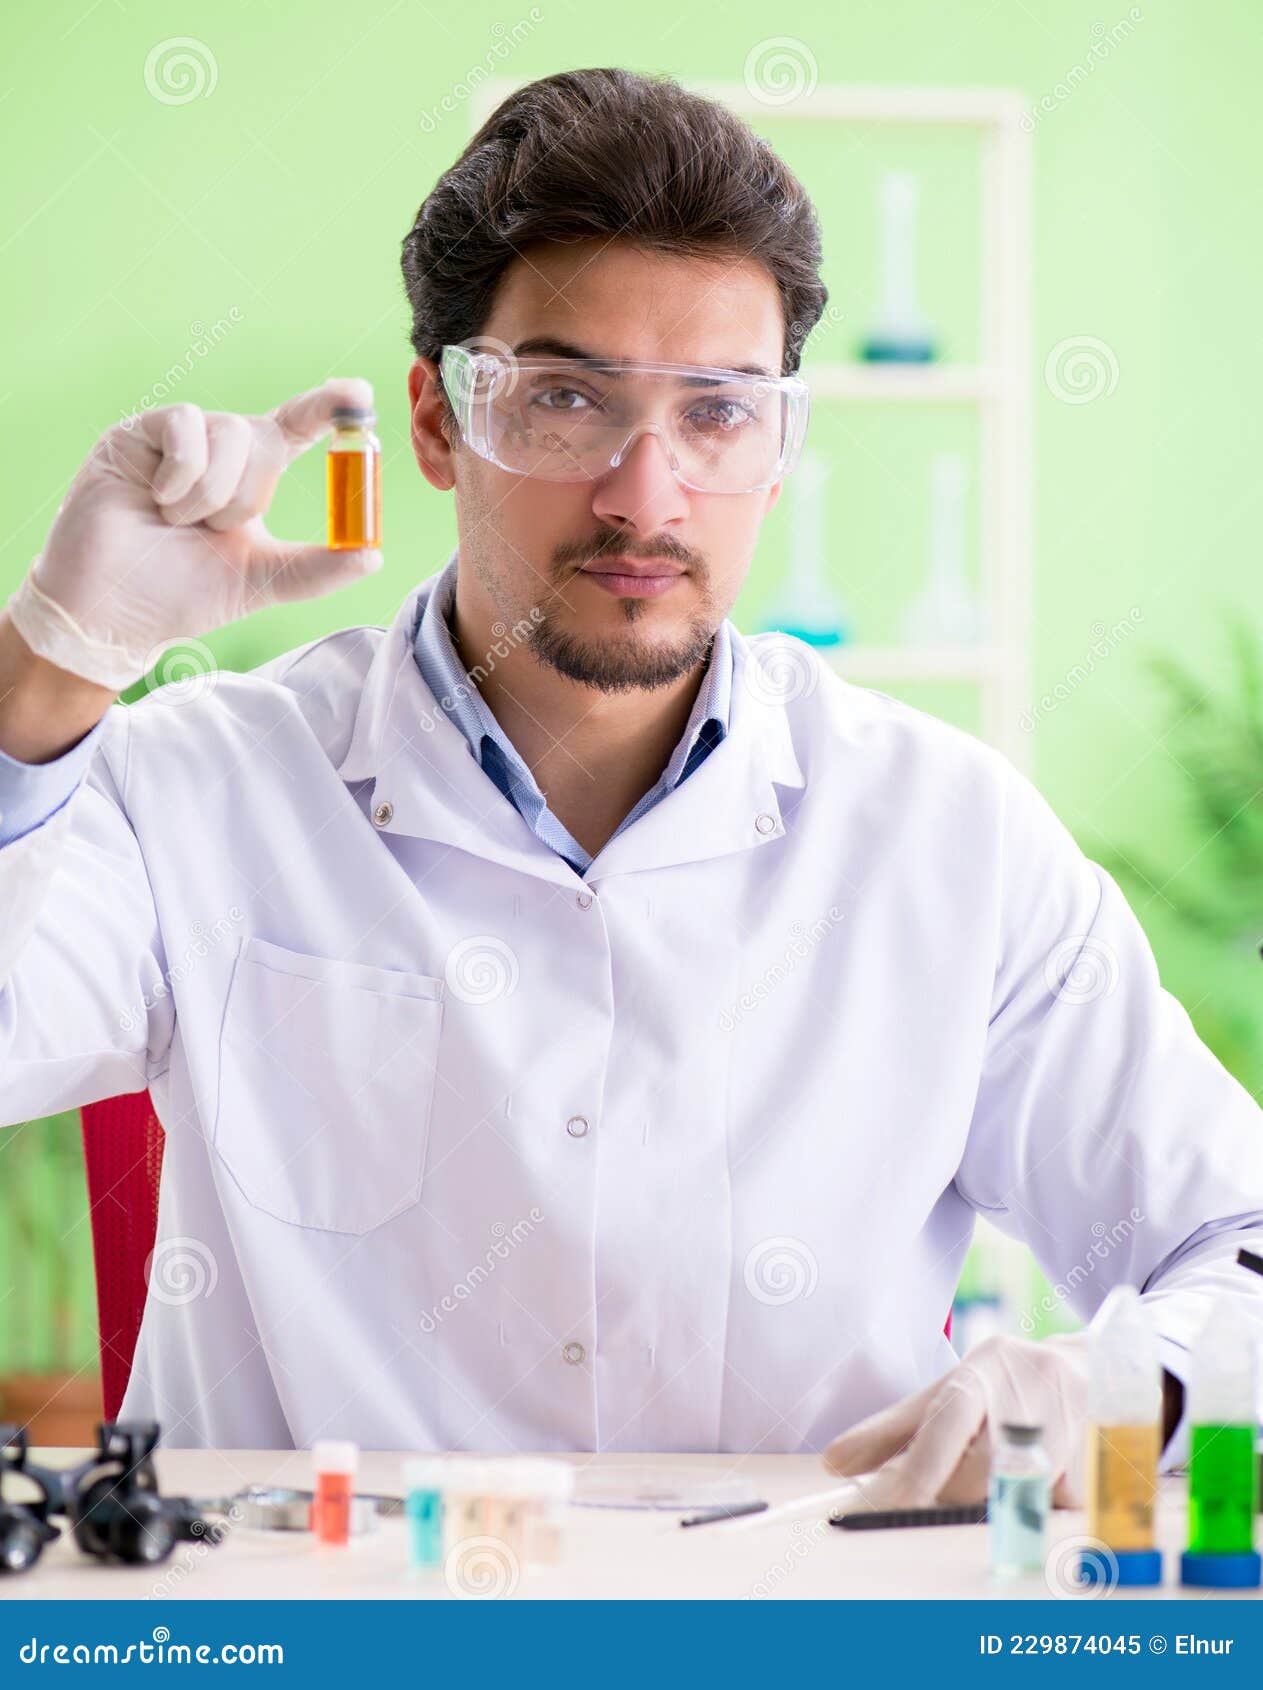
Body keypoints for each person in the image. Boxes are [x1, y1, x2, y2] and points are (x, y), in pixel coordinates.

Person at [1, 69, 1260, 1501]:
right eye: (565, 400)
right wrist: (48, 662)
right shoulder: (205, 785)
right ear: (435, 422)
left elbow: (1238, 1235)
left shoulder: (947, 840)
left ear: (777, 450)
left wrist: (1115, 1380)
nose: (645, 496)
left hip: (791, 1632)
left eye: (716, 414)